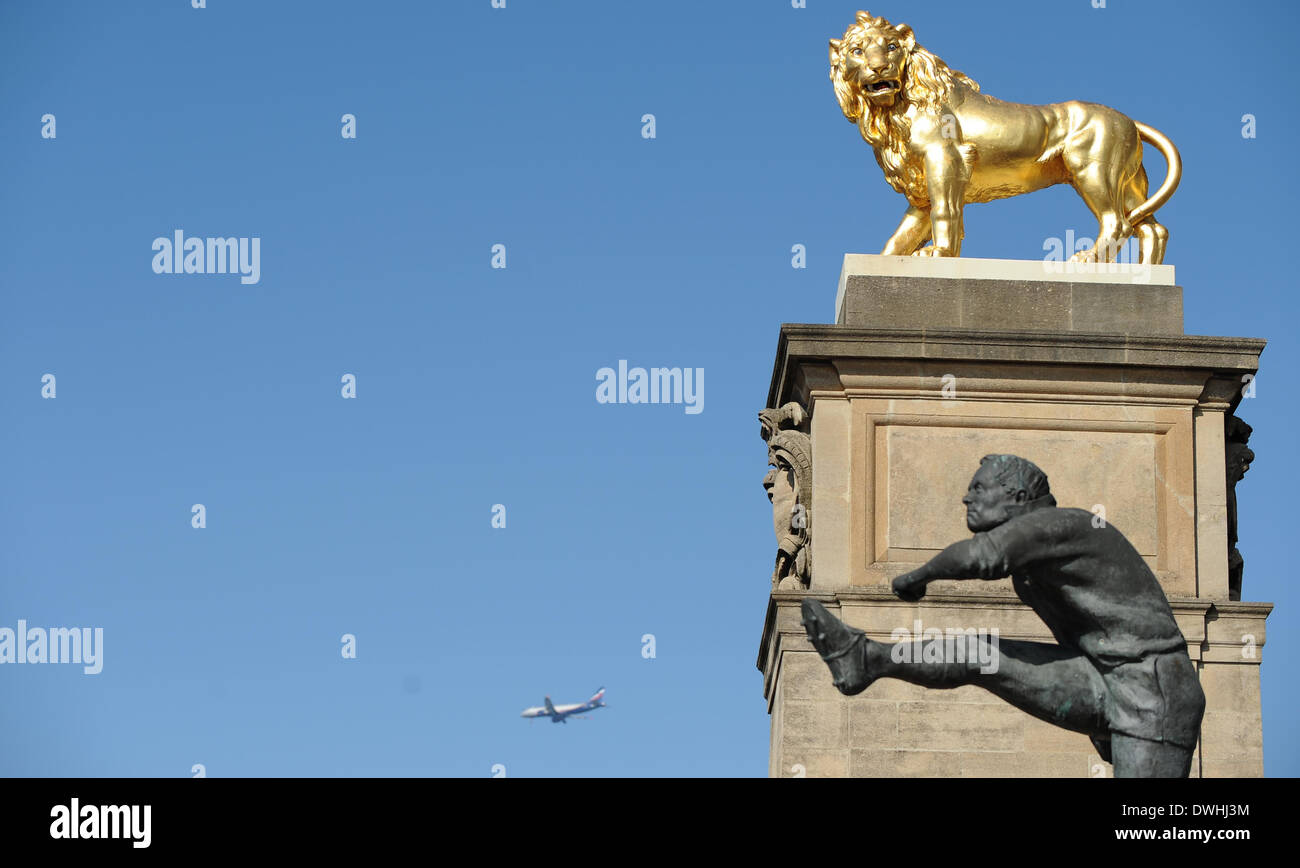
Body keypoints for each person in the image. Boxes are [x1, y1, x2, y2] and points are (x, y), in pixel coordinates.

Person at [802, 454, 1205, 777]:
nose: (966, 498)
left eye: (979, 488)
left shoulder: (1062, 524)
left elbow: (984, 556)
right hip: (1101, 675)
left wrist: (917, 576)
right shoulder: (1040, 541)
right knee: (981, 655)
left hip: (1153, 689)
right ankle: (866, 658)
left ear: (1015, 495)